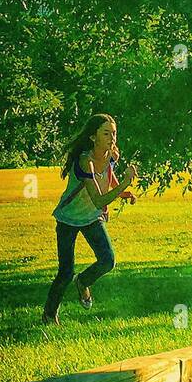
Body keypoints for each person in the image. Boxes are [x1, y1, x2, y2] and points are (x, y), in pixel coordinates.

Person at [42, 113, 137, 324]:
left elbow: (108, 176)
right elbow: (97, 199)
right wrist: (125, 184)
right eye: (106, 133)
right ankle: (49, 315)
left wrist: (121, 192)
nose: (112, 138)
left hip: (92, 217)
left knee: (107, 261)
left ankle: (83, 282)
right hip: (68, 218)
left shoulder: (112, 155)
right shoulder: (85, 161)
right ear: (93, 137)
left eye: (114, 133)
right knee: (65, 272)